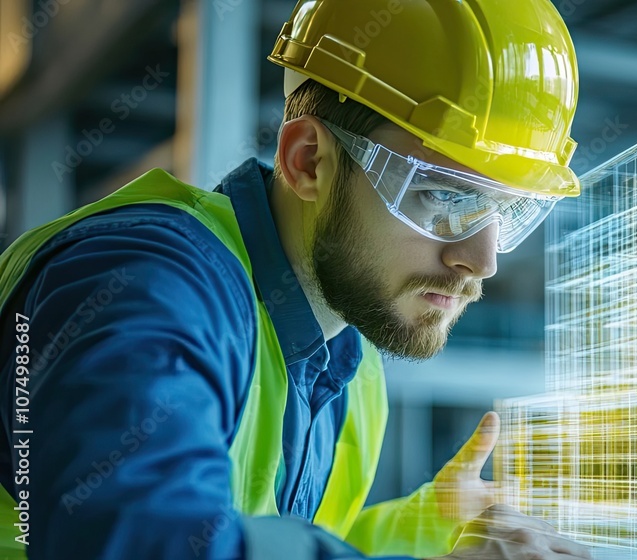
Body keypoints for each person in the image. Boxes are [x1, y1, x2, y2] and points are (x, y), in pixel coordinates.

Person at [0, 0, 591, 559]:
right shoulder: (142, 284)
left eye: (505, 211)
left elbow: (260, 533)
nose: (482, 260)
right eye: (441, 194)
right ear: (307, 159)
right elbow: (142, 540)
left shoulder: (349, 356)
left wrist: (426, 531)